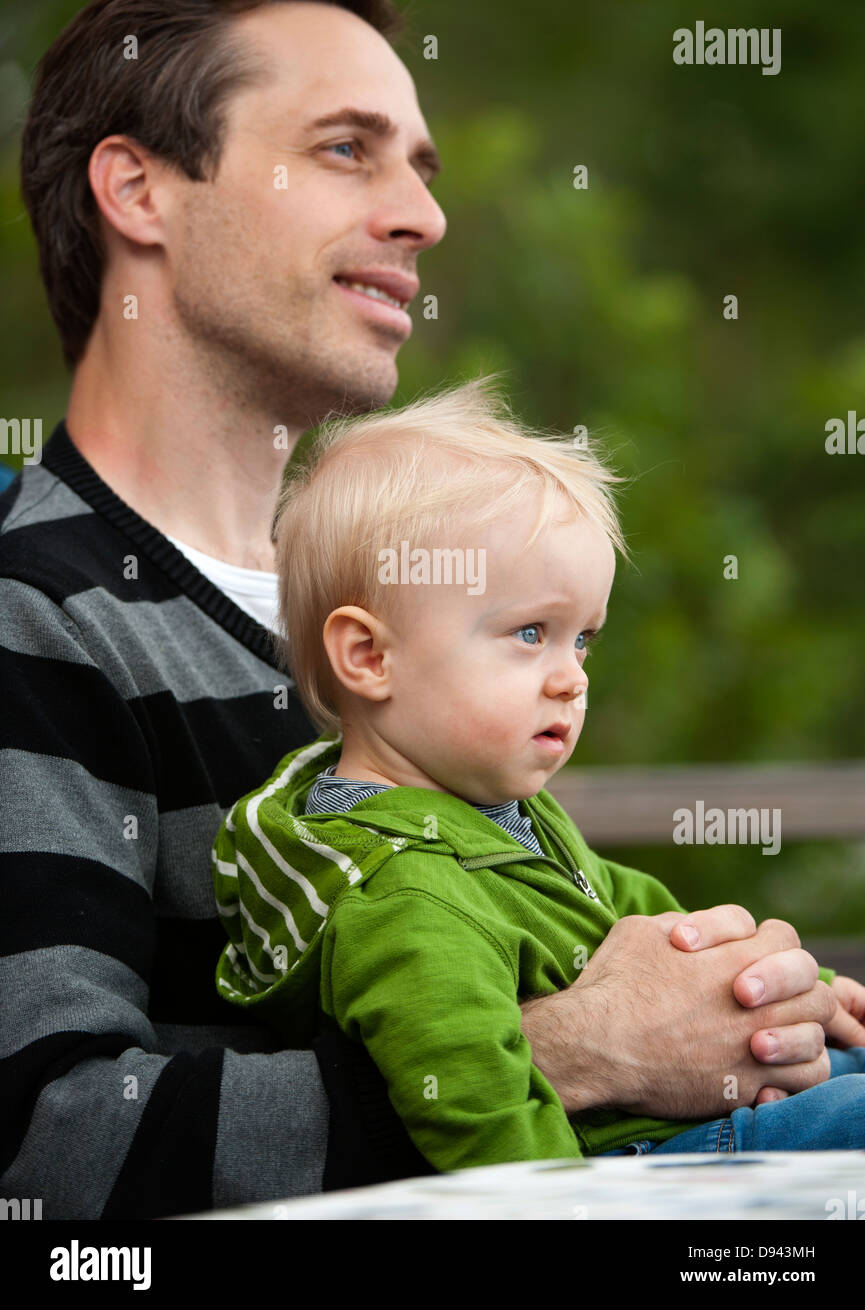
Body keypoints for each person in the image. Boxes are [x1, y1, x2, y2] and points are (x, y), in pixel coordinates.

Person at [0, 0, 840, 1218]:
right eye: (347, 149)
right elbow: (43, 1145)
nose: (426, 215)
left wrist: (730, 995)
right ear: (140, 190)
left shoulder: (409, 596)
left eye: (425, 168)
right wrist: (586, 1050)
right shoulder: (30, 611)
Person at [213, 377, 865, 1169]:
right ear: (369, 656)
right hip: (627, 1164)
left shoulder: (495, 808)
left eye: (582, 639)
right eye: (530, 633)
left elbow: (633, 914)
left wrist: (805, 989)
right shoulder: (400, 897)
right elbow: (475, 1112)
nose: (572, 678)